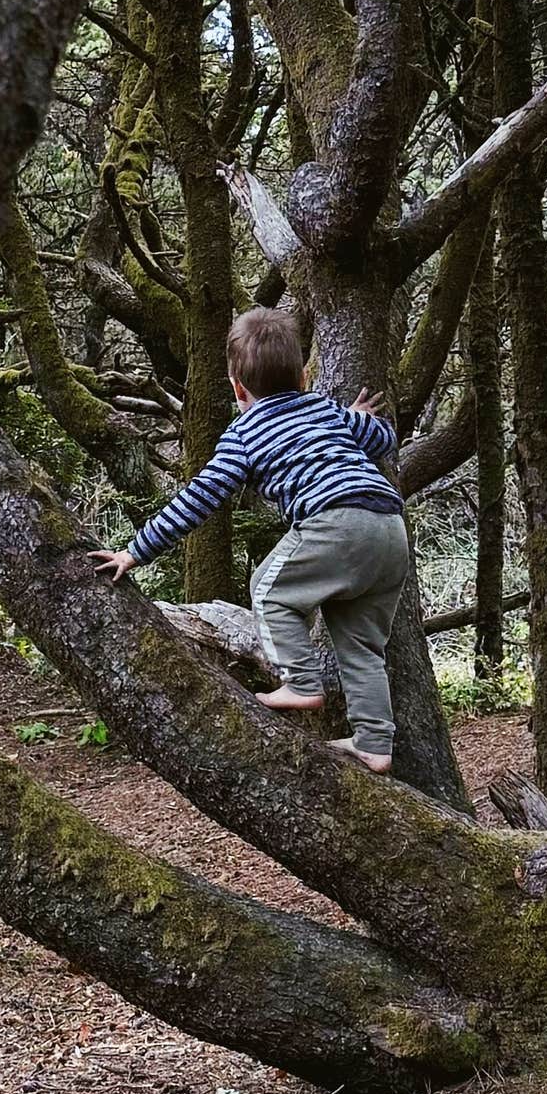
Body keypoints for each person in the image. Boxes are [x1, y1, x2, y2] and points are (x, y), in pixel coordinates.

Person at [98, 303, 411, 772]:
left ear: (237, 387)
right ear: (304, 377)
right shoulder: (326, 409)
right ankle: (374, 743)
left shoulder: (244, 432)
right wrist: (357, 417)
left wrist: (136, 551)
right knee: (361, 645)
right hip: (390, 530)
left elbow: (200, 497)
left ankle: (302, 684)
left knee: (268, 587)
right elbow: (384, 439)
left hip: (334, 522)